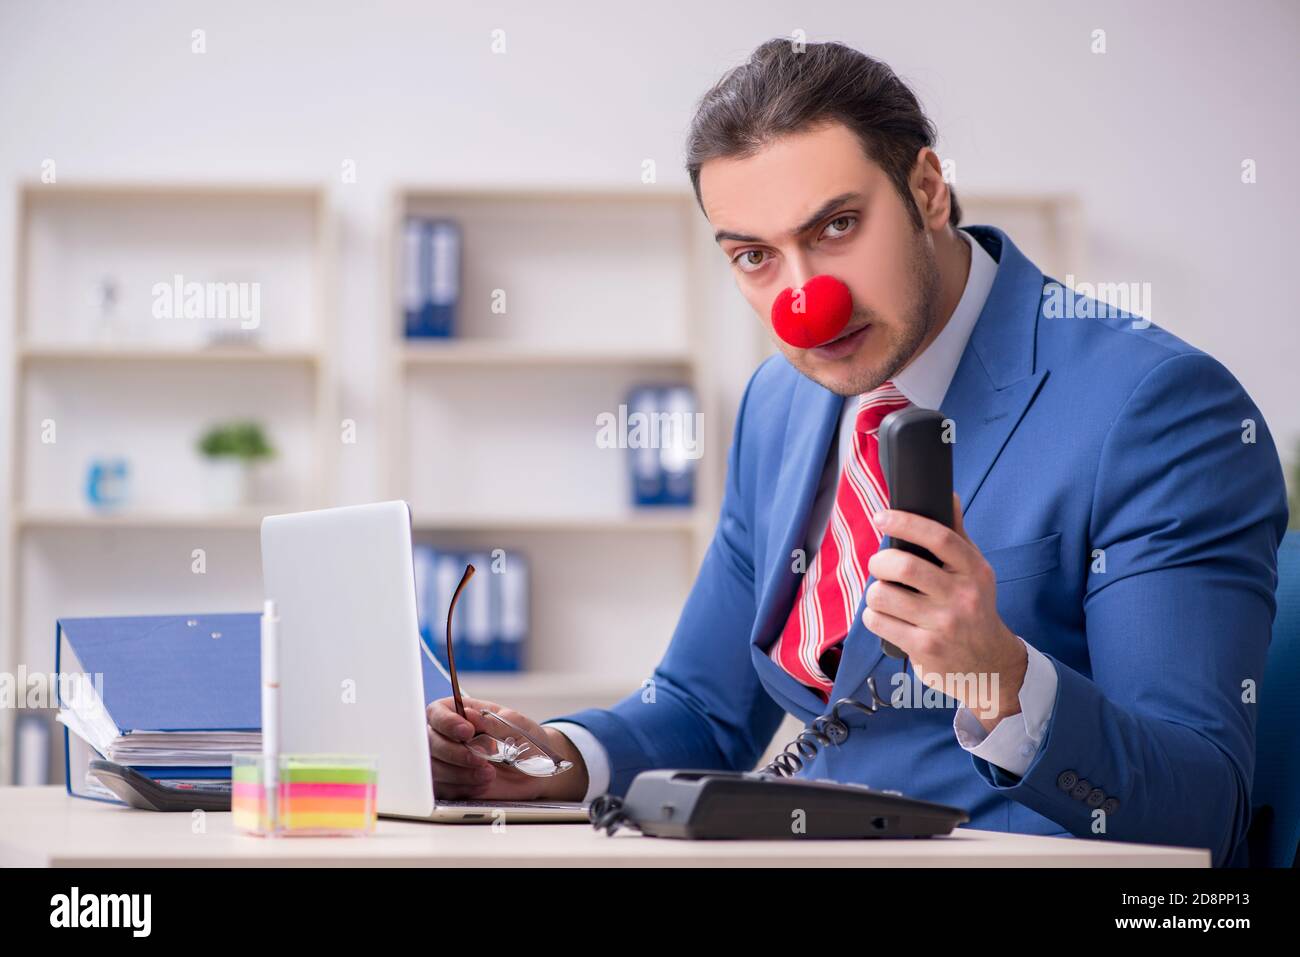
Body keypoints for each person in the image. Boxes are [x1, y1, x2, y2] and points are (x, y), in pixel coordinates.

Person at [426, 39, 1287, 867]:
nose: (804, 300)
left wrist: (1002, 677)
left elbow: (1201, 814)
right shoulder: (780, 401)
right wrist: (552, 758)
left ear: (928, 187)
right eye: (756, 256)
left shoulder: (1158, 408)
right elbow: (699, 707)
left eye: (837, 226)